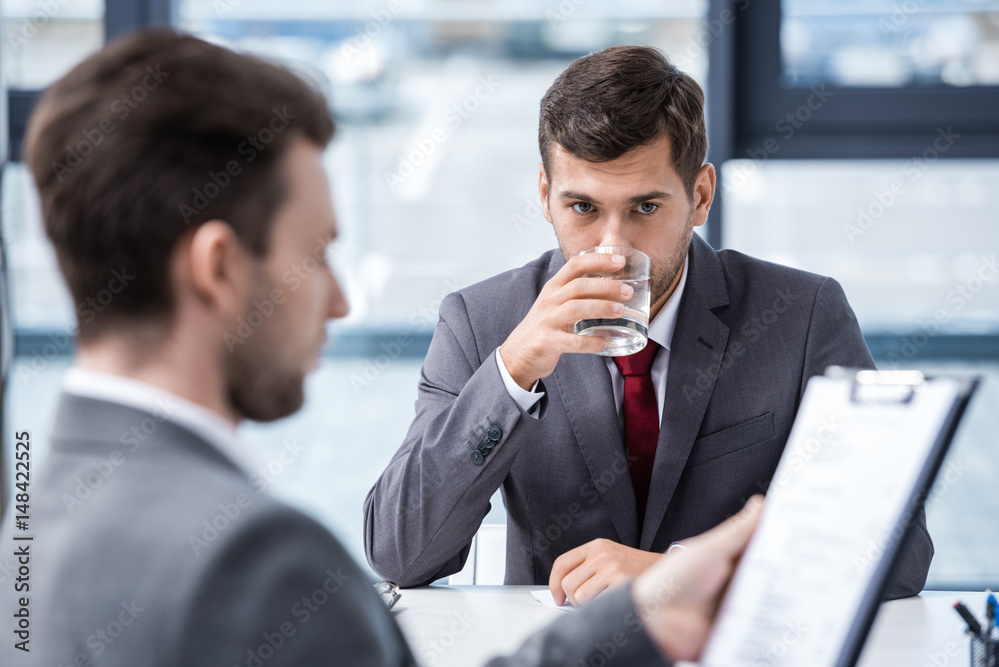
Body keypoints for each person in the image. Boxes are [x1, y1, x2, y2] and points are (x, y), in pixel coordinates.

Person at [0, 29, 764, 667]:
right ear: (221, 267)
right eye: (316, 252)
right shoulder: (258, 562)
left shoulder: (25, 529)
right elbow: (402, 546)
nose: (337, 298)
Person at [363, 44, 933, 604]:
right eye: (583, 207)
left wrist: (680, 574)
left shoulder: (802, 315)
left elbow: (900, 551)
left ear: (701, 196)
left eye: (645, 208)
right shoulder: (482, 323)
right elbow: (400, 553)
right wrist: (511, 375)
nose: (613, 248)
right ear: (545, 194)